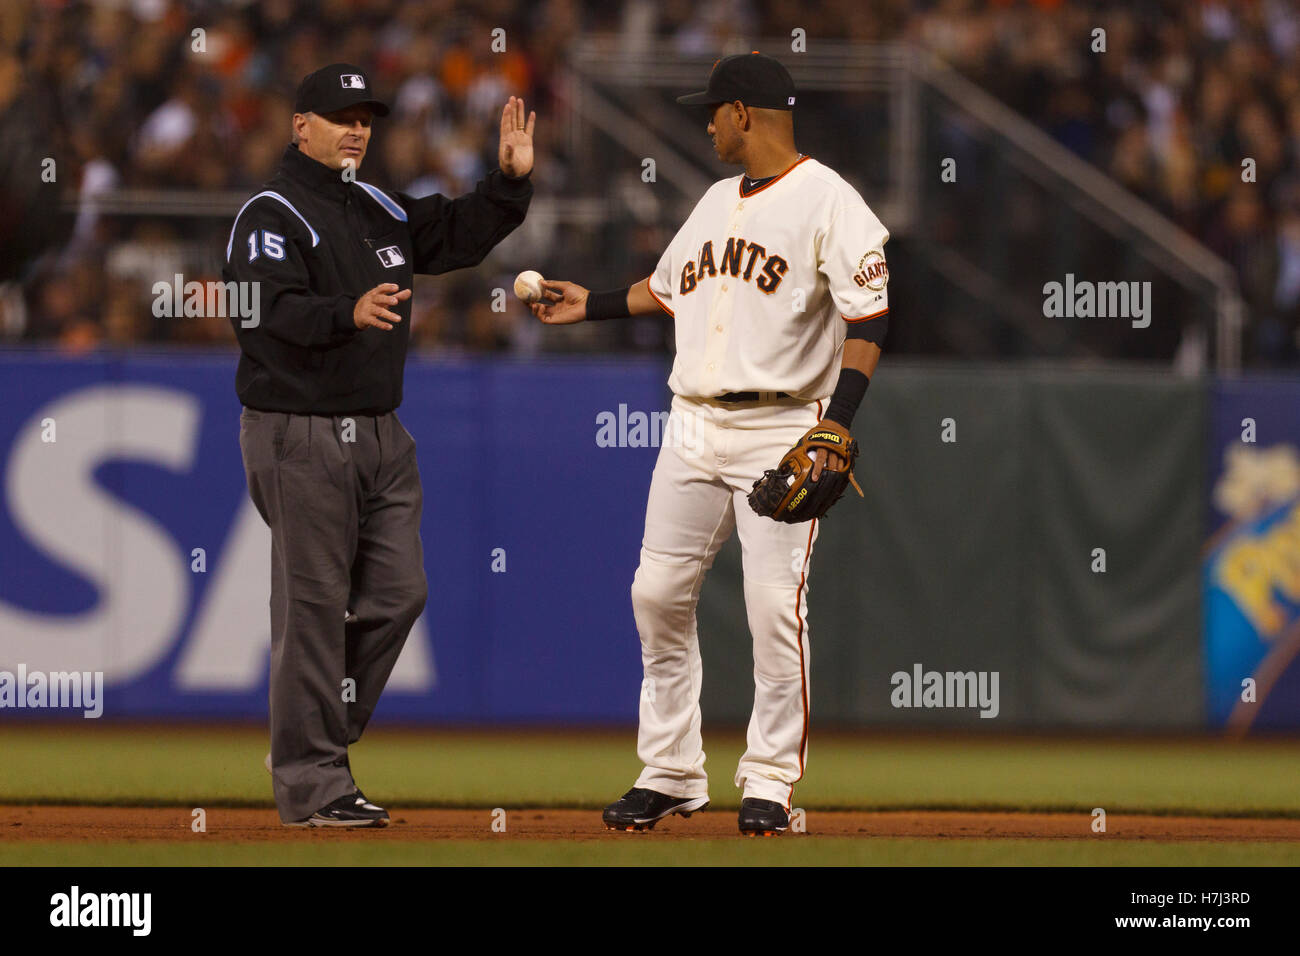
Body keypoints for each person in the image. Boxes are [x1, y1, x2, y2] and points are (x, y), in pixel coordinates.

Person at [530, 53, 888, 836]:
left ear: (746, 114)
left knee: (771, 608)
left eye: (715, 110)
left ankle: (768, 779)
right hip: (691, 423)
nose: (707, 122)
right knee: (654, 595)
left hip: (783, 423)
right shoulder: (716, 199)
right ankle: (669, 772)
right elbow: (666, 289)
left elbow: (869, 322)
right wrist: (582, 305)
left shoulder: (830, 200)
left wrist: (838, 422)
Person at [224, 63, 535, 827]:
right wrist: (345, 311)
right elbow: (260, 311)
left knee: (399, 595)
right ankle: (314, 784)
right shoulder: (269, 214)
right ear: (301, 127)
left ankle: (308, 740)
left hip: (381, 435)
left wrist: (505, 183)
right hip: (299, 432)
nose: (357, 127)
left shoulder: (375, 205)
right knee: (314, 608)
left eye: (365, 116)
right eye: (340, 116)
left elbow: (453, 235)